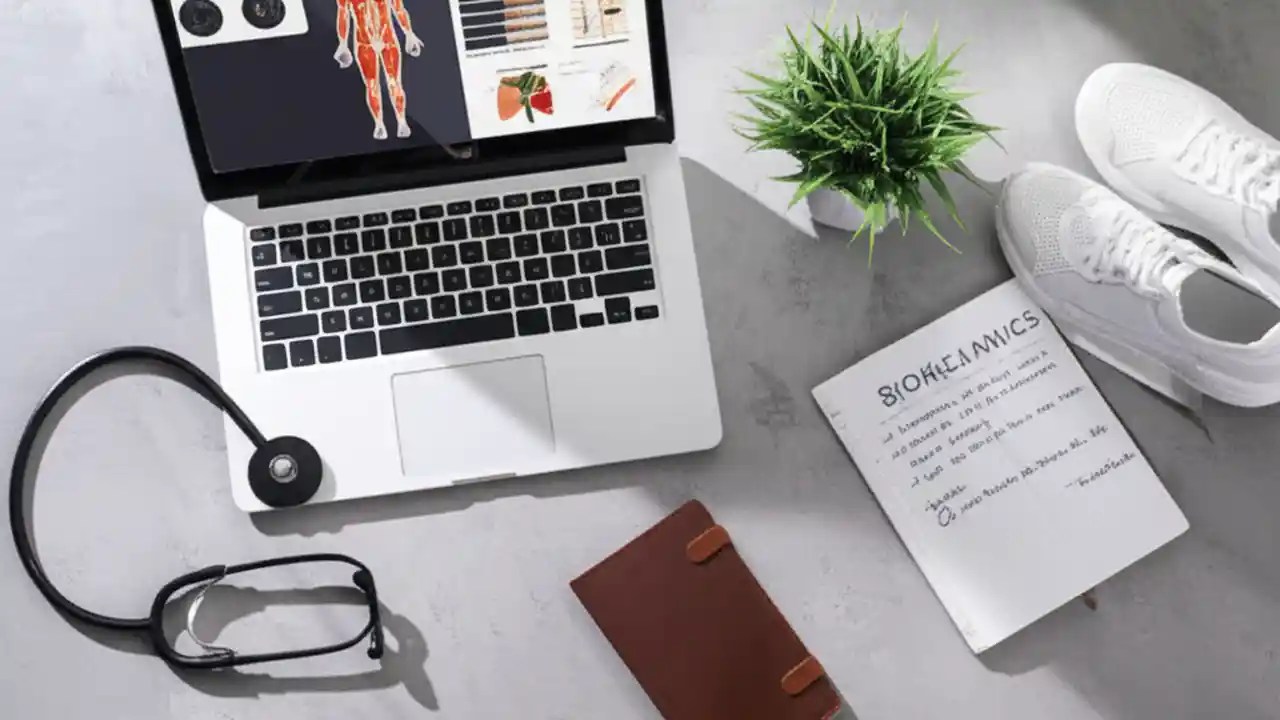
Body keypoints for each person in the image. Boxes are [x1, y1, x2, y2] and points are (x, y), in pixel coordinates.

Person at [334, 0, 424, 140]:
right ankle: (380, 124)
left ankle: (400, 121)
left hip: (386, 39)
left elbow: (398, 8)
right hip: (365, 43)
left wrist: (409, 34)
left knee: (392, 82)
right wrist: (343, 44)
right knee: (373, 84)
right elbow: (342, 13)